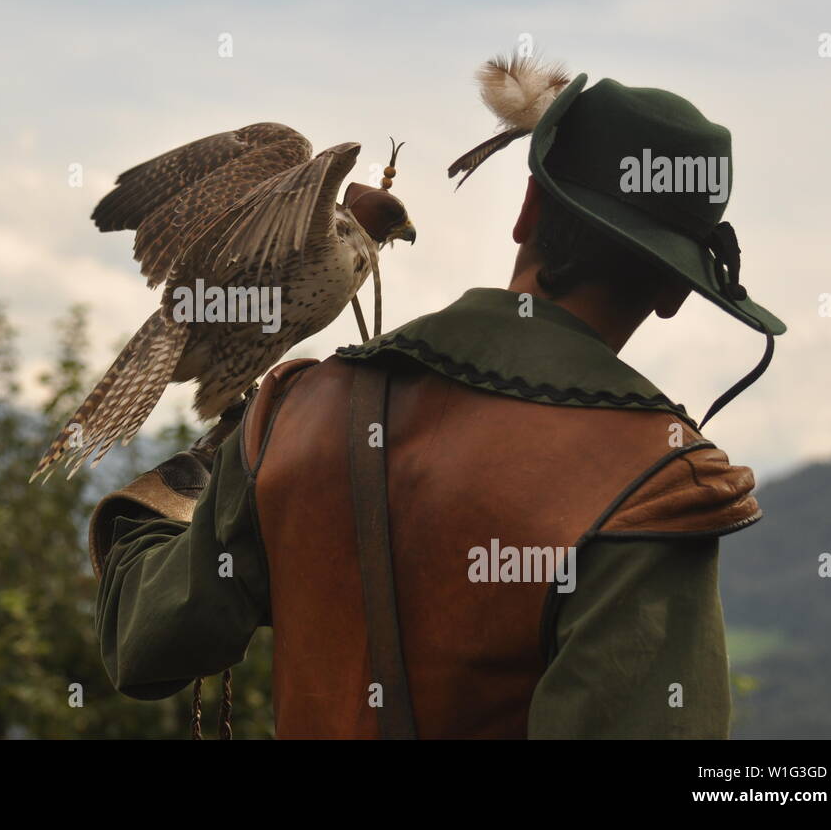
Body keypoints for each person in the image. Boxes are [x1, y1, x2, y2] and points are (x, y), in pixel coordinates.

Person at [88, 73, 786, 739]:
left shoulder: (292, 417)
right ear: (675, 292)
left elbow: (145, 640)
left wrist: (161, 505)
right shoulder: (653, 489)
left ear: (526, 213)